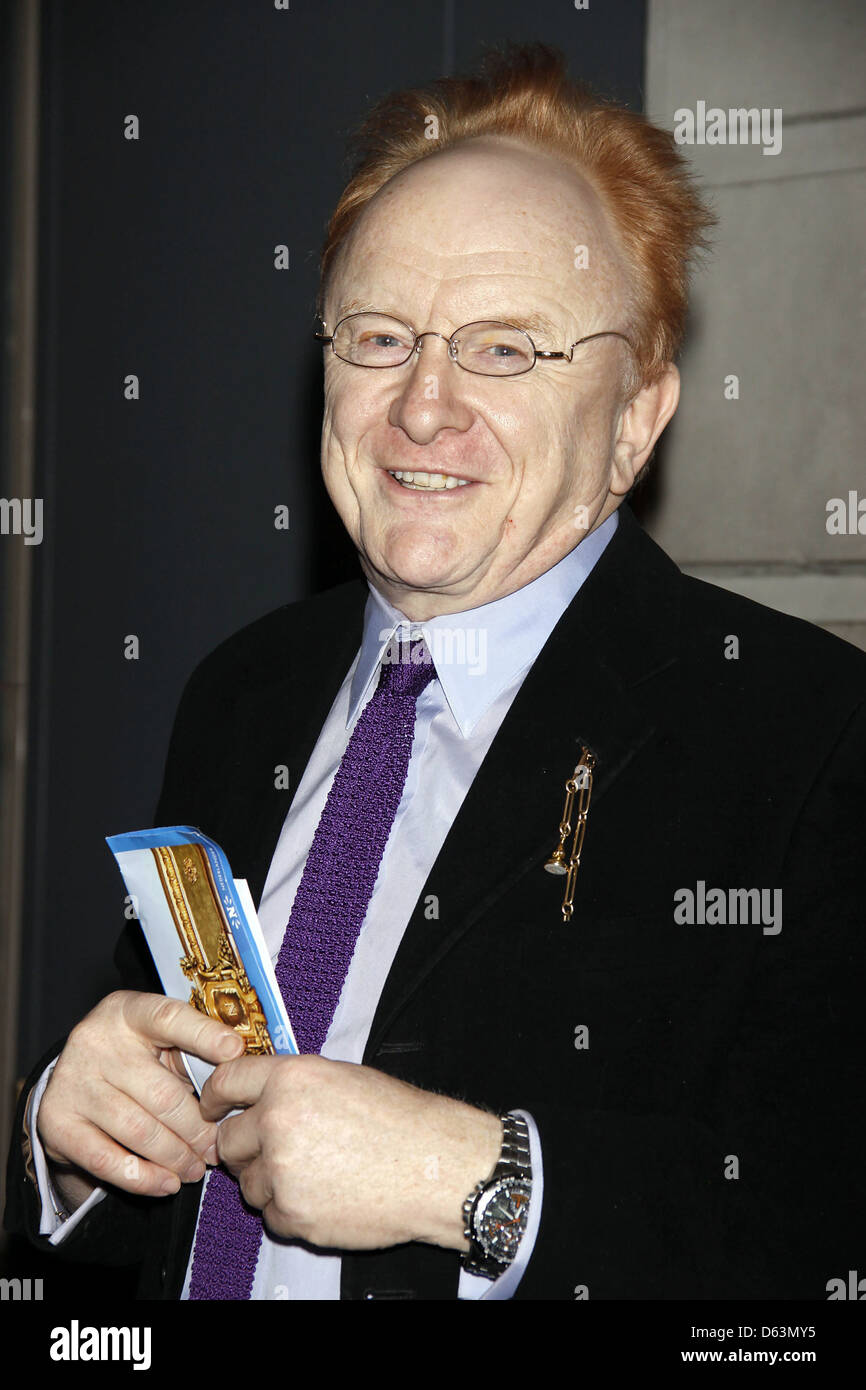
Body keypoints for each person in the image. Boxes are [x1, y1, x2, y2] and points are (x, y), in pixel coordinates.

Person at [6, 43, 865, 1300]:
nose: (420, 406)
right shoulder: (241, 692)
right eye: (378, 335)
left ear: (633, 420)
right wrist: (71, 1149)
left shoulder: (806, 739)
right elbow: (177, 1176)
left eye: (505, 349)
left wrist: (475, 1180)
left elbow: (817, 1235)